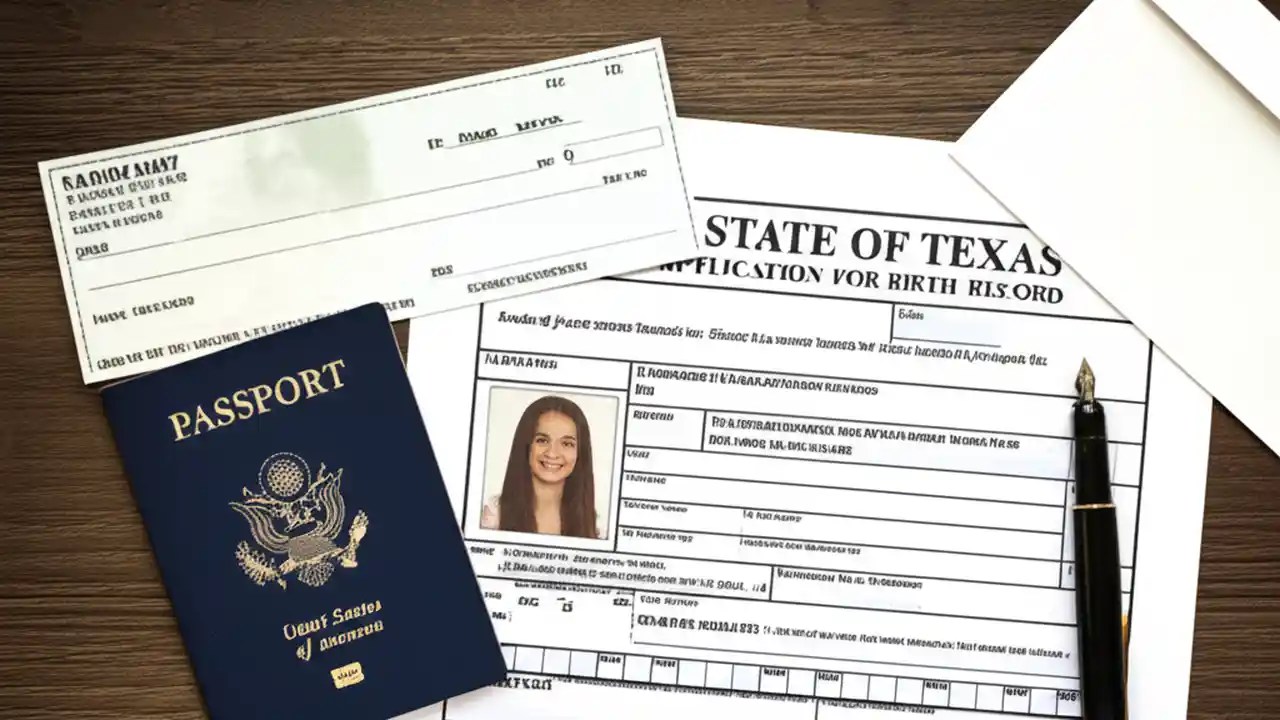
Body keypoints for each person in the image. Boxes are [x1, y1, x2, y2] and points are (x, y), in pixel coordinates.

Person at [481, 395, 600, 538]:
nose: (552, 453)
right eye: (542, 440)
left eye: (567, 443)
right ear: (526, 445)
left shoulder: (597, 528)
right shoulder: (491, 519)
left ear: (580, 452)